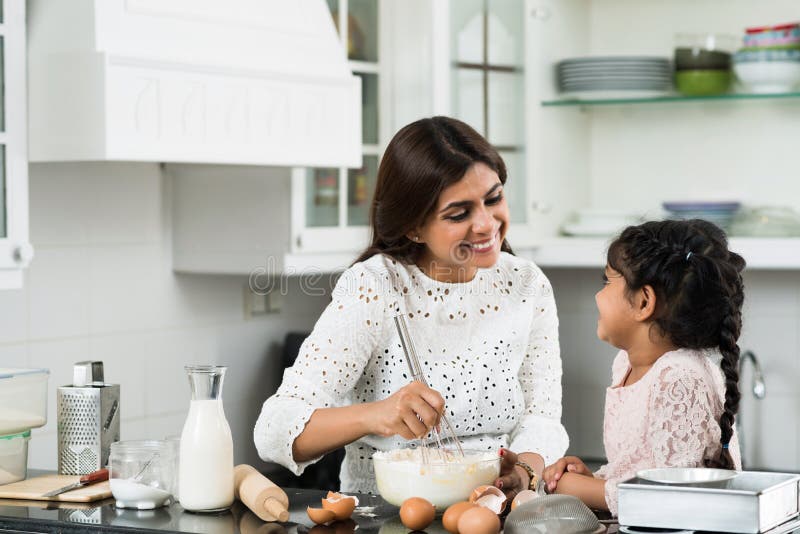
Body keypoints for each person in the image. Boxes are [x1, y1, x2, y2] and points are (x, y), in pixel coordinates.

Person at [254, 116, 567, 498]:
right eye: (459, 213)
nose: (486, 224)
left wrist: (525, 470)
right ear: (414, 227)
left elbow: (543, 416)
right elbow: (273, 431)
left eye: (494, 198)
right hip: (388, 517)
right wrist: (378, 414)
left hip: (493, 513)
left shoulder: (527, 285)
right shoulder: (373, 287)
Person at [541, 219, 744, 515]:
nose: (598, 295)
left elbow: (673, 499)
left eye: (608, 282)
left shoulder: (679, 378)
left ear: (643, 301)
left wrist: (577, 488)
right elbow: (641, 468)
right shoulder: (625, 364)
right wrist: (596, 478)